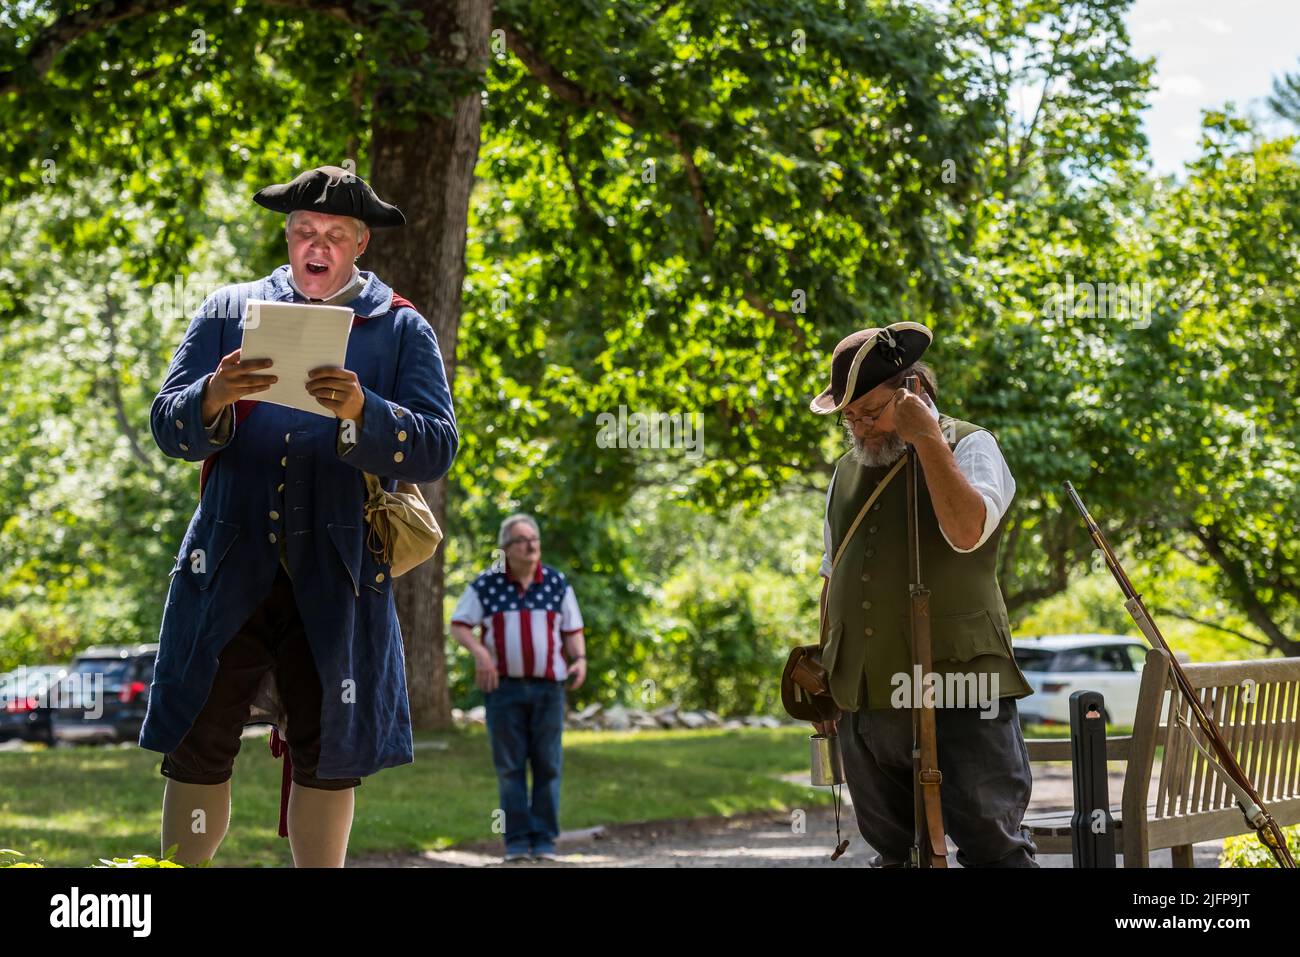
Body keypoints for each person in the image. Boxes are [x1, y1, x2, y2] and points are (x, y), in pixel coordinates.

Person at [141, 165, 459, 867]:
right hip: (225, 569)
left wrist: (363, 411)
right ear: (289, 237)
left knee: (329, 749)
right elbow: (167, 424)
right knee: (198, 740)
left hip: (338, 574)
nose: (317, 245)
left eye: (335, 235)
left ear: (360, 244)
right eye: (305, 232)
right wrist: (216, 392)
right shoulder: (228, 310)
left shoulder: (401, 327)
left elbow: (438, 444)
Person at [807, 321, 1039, 867]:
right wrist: (825, 671)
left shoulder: (973, 445)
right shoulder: (844, 473)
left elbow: (967, 530)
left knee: (993, 850)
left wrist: (927, 437)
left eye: (872, 412)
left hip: (961, 686)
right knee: (894, 854)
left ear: (912, 394)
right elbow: (830, 577)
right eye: (850, 417)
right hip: (864, 697)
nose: (861, 430)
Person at [449, 514, 587, 863]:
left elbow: (573, 629)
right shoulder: (487, 585)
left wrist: (580, 659)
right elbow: (459, 624)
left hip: (549, 690)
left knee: (548, 764)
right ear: (506, 548)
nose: (532, 545)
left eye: (534, 538)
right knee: (510, 768)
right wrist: (481, 653)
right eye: (523, 540)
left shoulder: (556, 583)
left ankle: (543, 842)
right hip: (504, 691)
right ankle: (515, 844)